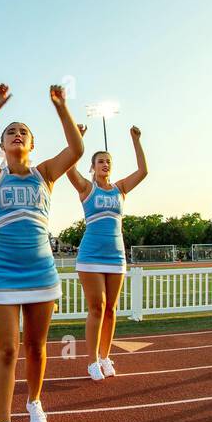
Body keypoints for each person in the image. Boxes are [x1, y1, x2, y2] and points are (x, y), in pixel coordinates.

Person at [0, 82, 84, 422]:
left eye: (24, 133)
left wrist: (62, 106)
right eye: (11, 133)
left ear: (31, 145)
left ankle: (34, 400)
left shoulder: (45, 173)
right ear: (2, 145)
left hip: (41, 272)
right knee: (6, 351)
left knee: (36, 347)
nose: (18, 135)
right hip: (1, 272)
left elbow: (77, 149)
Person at [64, 123, 147, 381]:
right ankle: (91, 362)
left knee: (111, 309)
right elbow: (68, 168)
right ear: (93, 166)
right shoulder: (88, 189)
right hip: (91, 256)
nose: (105, 164)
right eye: (100, 161)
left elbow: (143, 171)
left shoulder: (120, 189)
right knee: (97, 307)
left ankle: (105, 356)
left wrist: (136, 140)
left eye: (108, 161)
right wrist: (79, 138)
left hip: (116, 256)